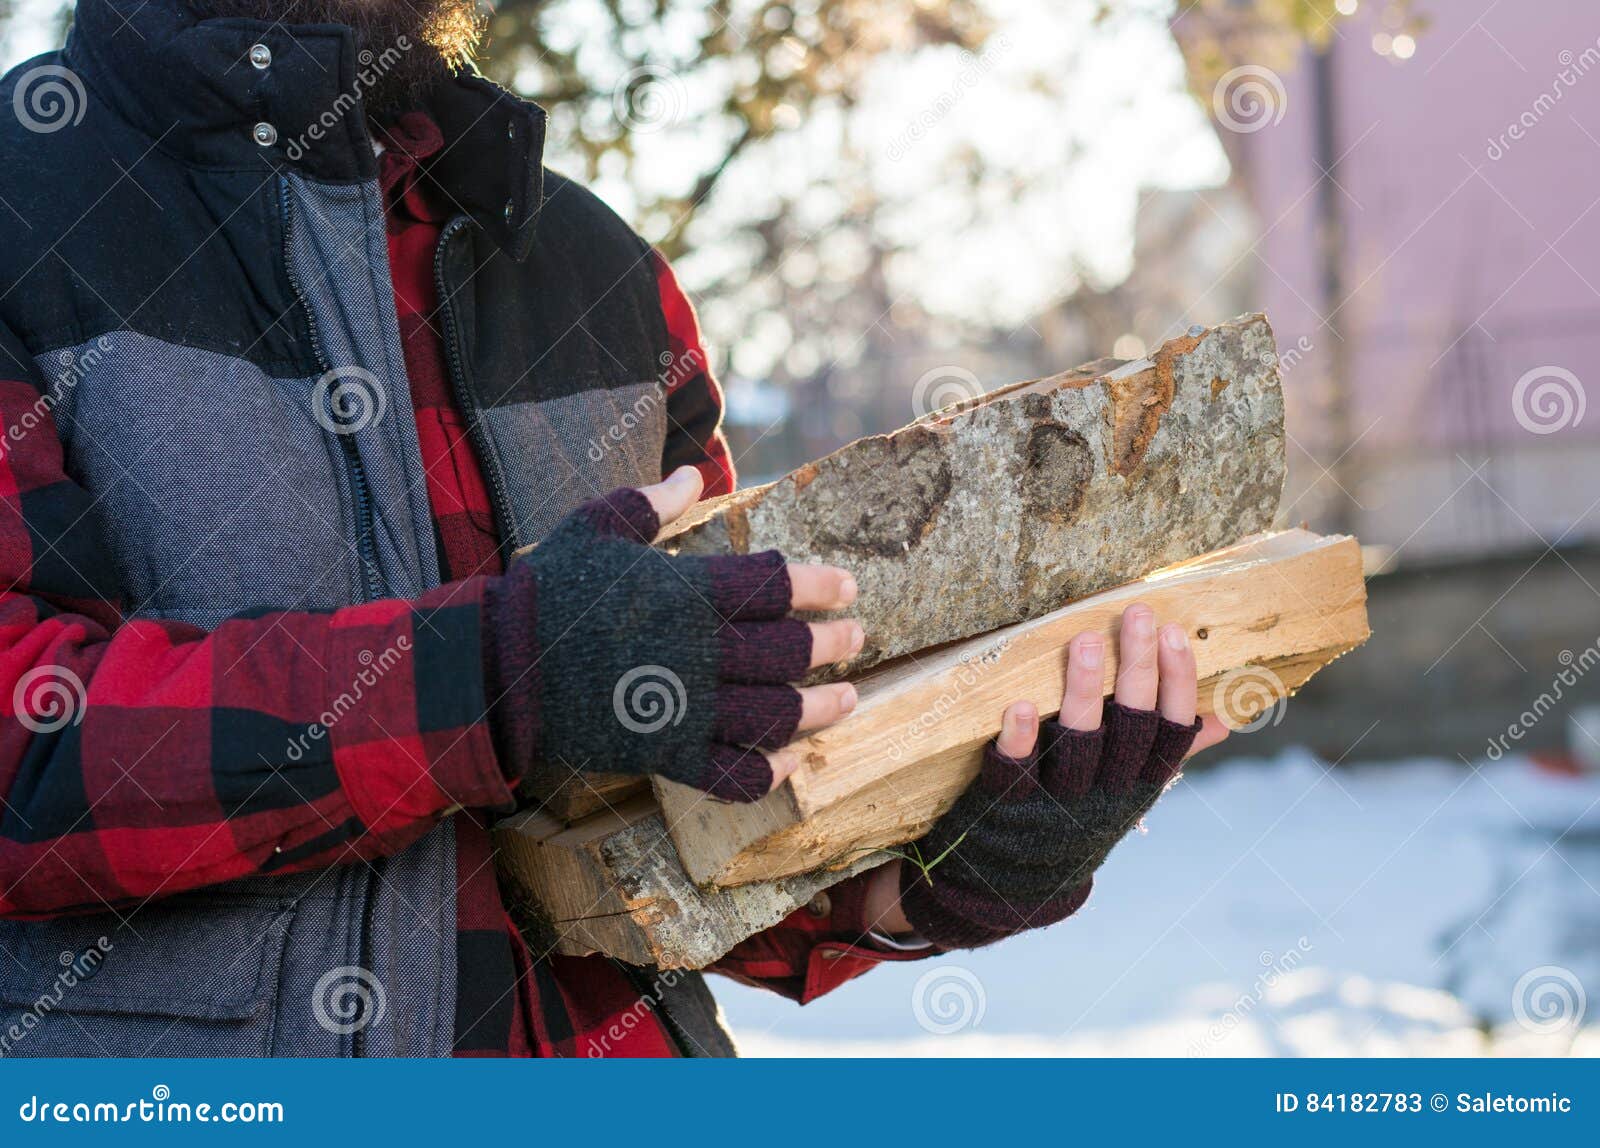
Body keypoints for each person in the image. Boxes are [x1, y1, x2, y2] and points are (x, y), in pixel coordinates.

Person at [0, 0, 1227, 1057]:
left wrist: (947, 870)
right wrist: (486, 677)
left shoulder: (596, 270)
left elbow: (701, 827)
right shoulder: (23, 207)